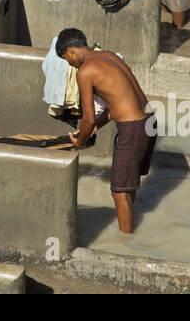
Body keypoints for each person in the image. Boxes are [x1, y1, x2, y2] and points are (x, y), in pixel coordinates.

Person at [57, 28, 155, 234]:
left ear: (71, 51)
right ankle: (130, 226)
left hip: (132, 128)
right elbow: (114, 107)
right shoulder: (108, 56)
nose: (71, 65)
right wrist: (90, 132)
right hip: (149, 122)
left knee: (119, 192)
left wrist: (81, 140)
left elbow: (89, 117)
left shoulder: (85, 71)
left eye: (67, 60)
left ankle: (126, 243)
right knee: (129, 186)